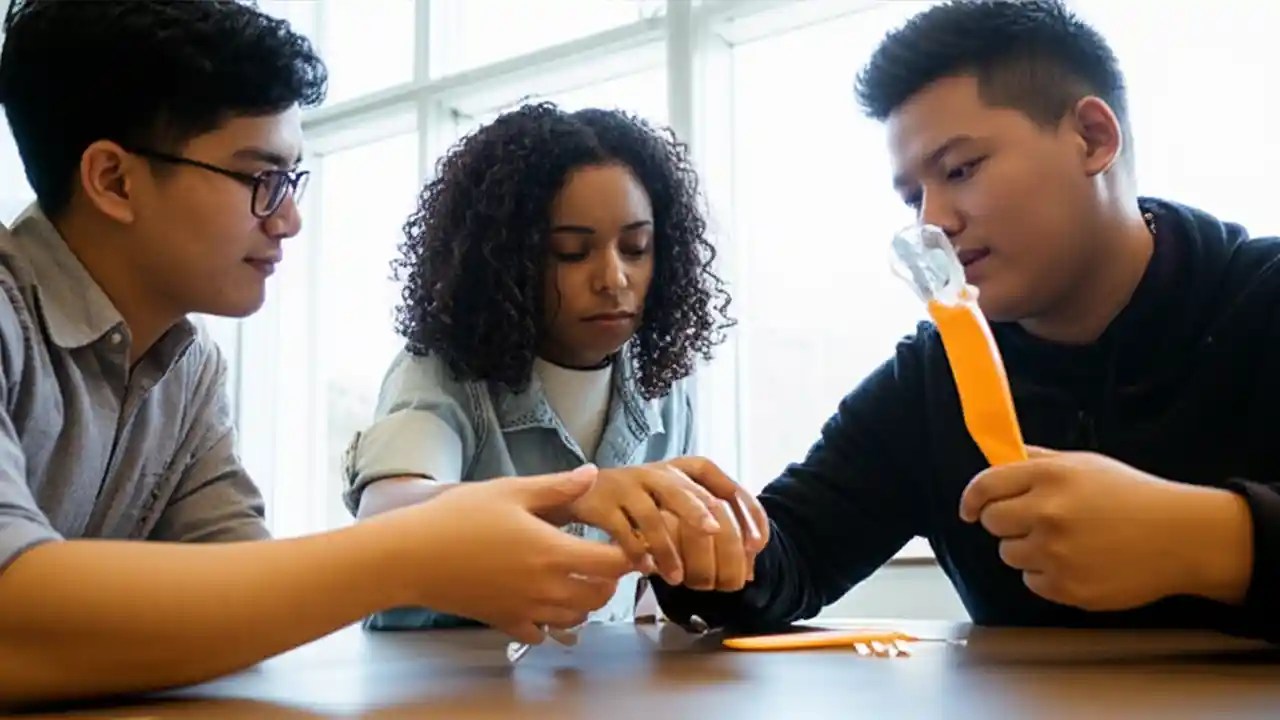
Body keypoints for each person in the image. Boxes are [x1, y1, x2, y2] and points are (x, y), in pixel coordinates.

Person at [0, 1, 664, 707]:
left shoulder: (185, 367)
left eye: (291, 182)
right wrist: (415, 552)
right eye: (261, 179)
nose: (288, 219)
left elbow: (246, 604)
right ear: (113, 180)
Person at [649, 0, 1280, 641]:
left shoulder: (1260, 299)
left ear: (1093, 138)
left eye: (960, 170)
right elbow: (794, 554)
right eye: (913, 196)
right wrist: (694, 538)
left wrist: (1212, 541)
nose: (932, 223)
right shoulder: (932, 377)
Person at [345, 102, 766, 630]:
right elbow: (386, 517)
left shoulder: (661, 385)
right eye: (571, 252)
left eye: (636, 248)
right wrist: (576, 498)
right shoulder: (441, 372)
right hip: (440, 691)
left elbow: (642, 595)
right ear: (507, 262)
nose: (613, 278)